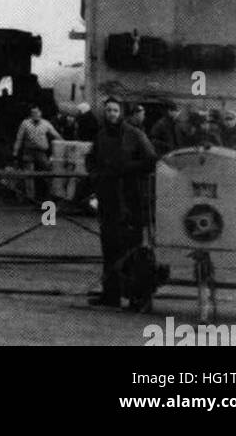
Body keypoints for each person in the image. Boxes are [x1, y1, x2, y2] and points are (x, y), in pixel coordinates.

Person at [87, 96, 157, 310]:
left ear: (121, 113)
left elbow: (151, 160)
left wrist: (127, 167)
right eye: (108, 110)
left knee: (132, 249)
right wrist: (96, 174)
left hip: (130, 198)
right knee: (109, 247)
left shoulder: (135, 135)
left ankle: (137, 297)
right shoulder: (100, 135)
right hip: (108, 197)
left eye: (115, 110)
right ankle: (111, 294)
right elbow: (91, 158)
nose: (111, 114)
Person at [13, 105, 62, 201]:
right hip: (29, 151)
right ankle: (30, 197)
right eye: (33, 113)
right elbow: (19, 138)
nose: (35, 115)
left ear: (40, 113)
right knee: (29, 174)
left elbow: (55, 134)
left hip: (41, 152)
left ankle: (50, 195)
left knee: (48, 171)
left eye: (37, 112)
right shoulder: (25, 123)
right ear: (31, 114)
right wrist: (15, 151)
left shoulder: (45, 123)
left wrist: (64, 142)